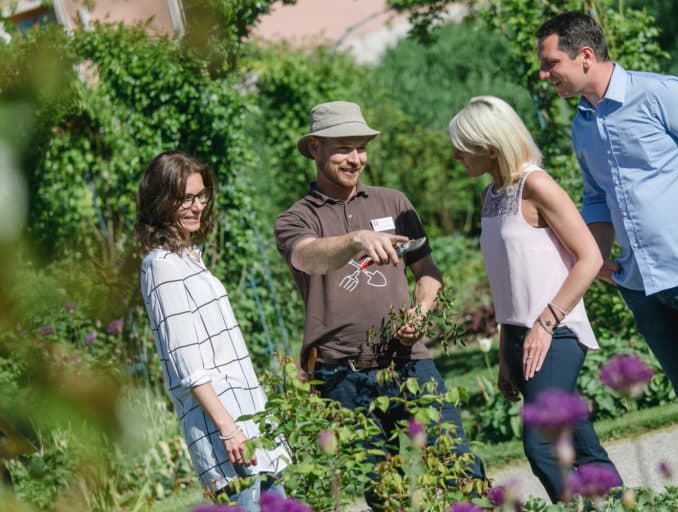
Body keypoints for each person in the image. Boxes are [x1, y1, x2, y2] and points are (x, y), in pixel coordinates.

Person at [536, 11, 678, 487]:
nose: (544, 74)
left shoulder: (660, 93)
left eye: (550, 63)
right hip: (643, 287)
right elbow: (596, 198)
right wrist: (596, 259)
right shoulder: (582, 124)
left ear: (585, 56)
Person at [274, 101, 486, 508]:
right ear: (315, 148)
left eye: (362, 148)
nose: (356, 159)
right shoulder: (296, 219)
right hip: (342, 375)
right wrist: (356, 240)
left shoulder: (394, 203)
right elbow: (308, 257)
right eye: (344, 148)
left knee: (457, 463)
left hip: (409, 361)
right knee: (384, 490)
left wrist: (420, 313)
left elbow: (427, 272)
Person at [449, 95, 622, 502]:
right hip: (521, 339)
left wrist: (546, 322)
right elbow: (509, 283)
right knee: (581, 443)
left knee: (541, 445)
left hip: (554, 334)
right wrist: (506, 354)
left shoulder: (536, 184)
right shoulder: (491, 194)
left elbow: (590, 257)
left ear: (491, 146)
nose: (456, 155)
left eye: (462, 146)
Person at [136, 151, 291, 511]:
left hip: (247, 418)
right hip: (224, 429)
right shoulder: (161, 265)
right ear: (161, 201)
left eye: (201, 195)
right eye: (185, 198)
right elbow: (188, 363)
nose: (197, 206)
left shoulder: (189, 258)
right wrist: (228, 428)